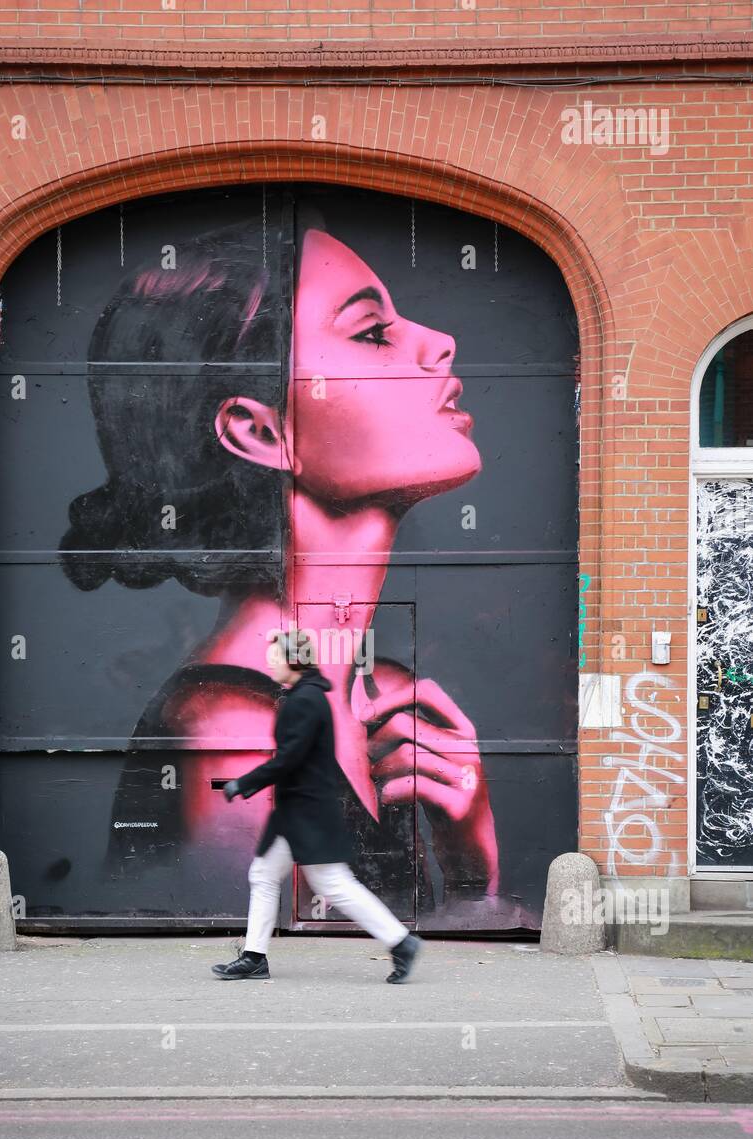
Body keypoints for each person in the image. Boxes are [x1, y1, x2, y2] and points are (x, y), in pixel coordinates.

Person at [63, 212, 499, 918]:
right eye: (372, 331)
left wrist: (473, 861)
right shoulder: (225, 732)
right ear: (258, 430)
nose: (439, 344)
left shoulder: (382, 696)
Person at [213, 629, 420, 983]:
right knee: (263, 875)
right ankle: (254, 956)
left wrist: (244, 783)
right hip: (298, 810)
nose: (271, 662)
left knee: (334, 884)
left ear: (294, 660)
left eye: (276, 657)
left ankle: (401, 942)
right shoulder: (304, 695)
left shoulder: (306, 700)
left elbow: (291, 758)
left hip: (308, 811)